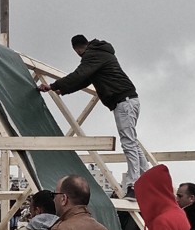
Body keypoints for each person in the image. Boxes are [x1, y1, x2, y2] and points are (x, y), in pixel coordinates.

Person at [38, 35, 146, 188]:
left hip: (123, 102)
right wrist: (63, 88)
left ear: (77, 49)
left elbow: (80, 74)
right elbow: (85, 79)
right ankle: (147, 176)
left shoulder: (92, 55)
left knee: (128, 143)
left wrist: (53, 85)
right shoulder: (101, 53)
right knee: (132, 141)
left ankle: (134, 184)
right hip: (130, 99)